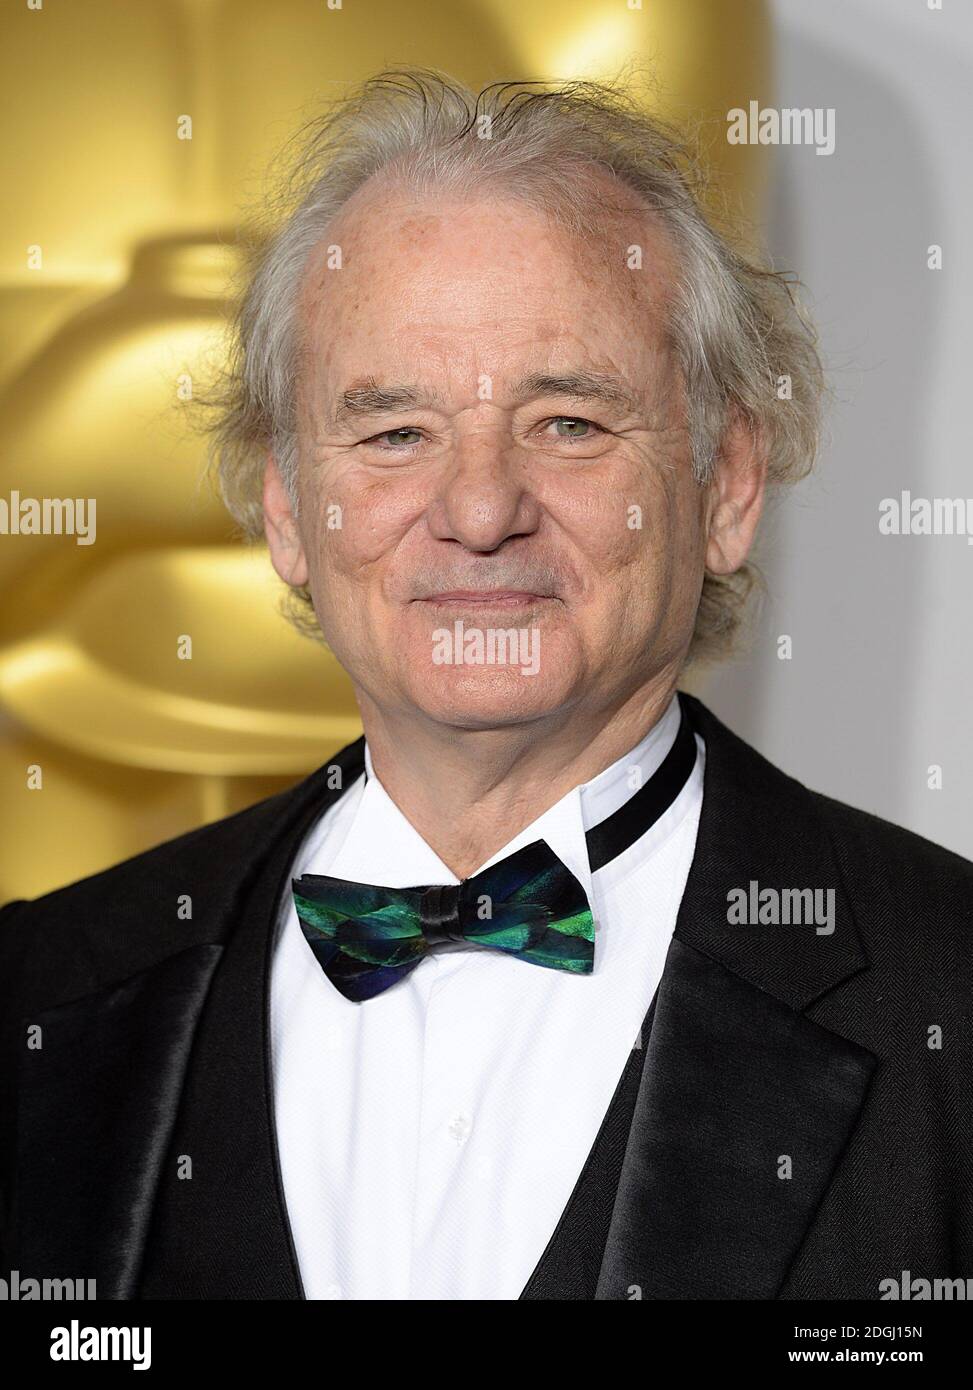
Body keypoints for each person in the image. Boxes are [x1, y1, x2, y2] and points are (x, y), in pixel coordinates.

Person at [1, 69, 970, 1301]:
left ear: (727, 484)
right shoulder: (44, 994)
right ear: (289, 508)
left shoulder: (951, 992)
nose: (477, 510)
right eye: (393, 432)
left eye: (568, 421)